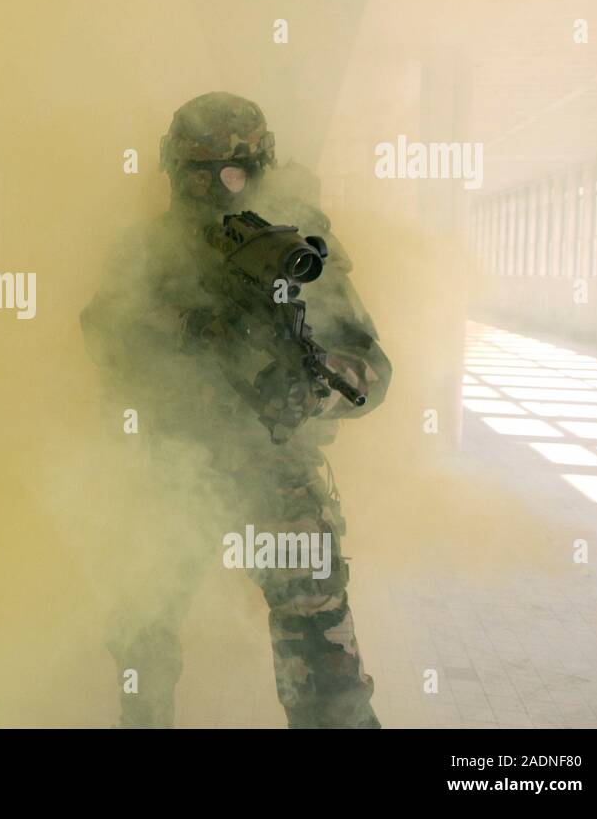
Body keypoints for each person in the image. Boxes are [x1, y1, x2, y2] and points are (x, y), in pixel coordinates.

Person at [80, 92, 391, 728]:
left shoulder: (299, 253)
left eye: (234, 171)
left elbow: (371, 370)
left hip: (275, 476)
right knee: (142, 653)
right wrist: (194, 331)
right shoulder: (145, 254)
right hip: (171, 470)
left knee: (327, 680)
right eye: (199, 172)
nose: (218, 187)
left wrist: (312, 391)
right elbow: (103, 332)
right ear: (173, 172)